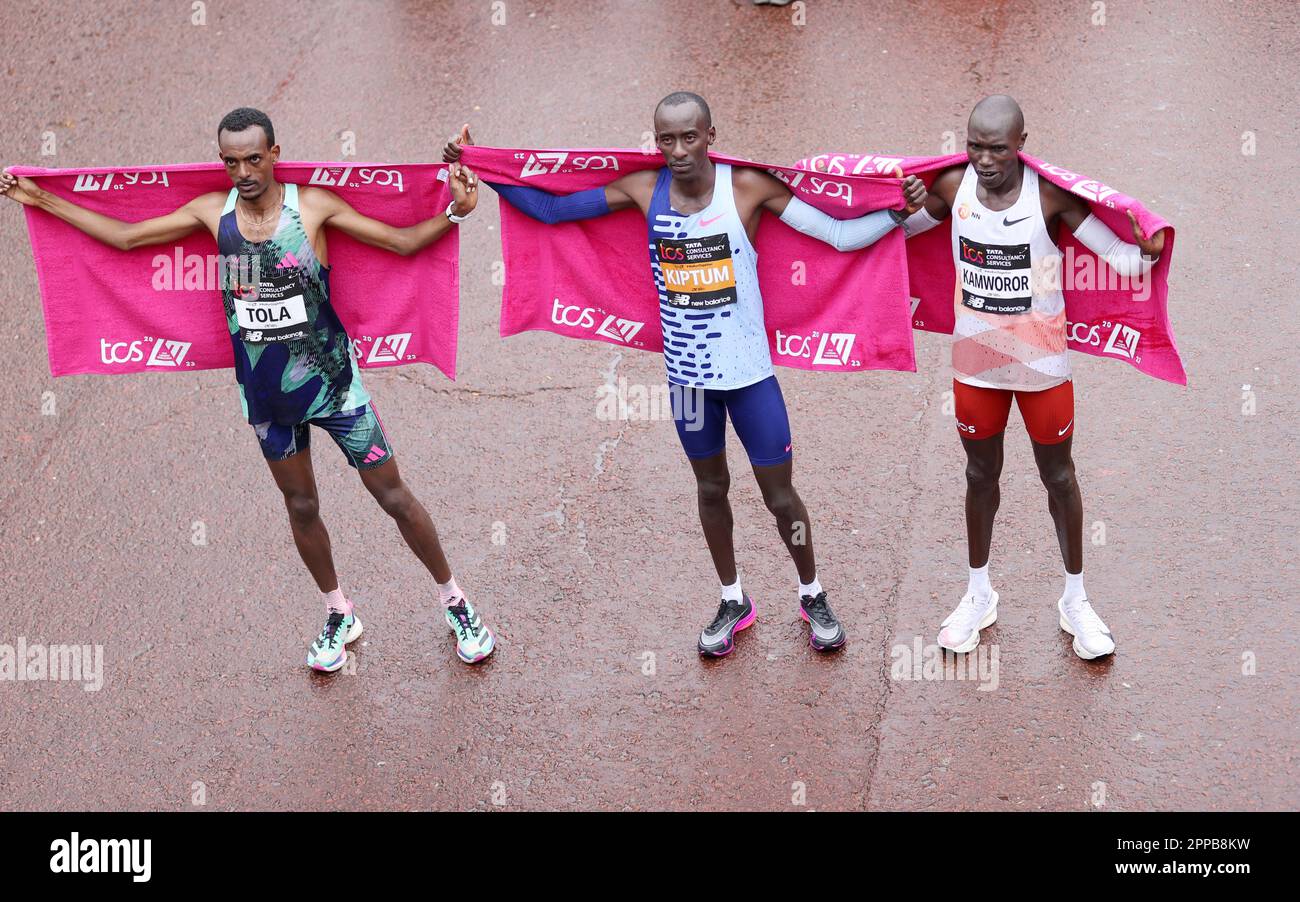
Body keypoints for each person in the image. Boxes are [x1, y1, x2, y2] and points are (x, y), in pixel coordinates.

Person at [2, 107, 496, 671]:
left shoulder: (311, 207)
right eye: (232, 161)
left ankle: (455, 600)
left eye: (254, 159)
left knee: (393, 496)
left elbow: (403, 244)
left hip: (334, 387)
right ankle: (339, 613)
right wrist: (40, 200)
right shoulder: (214, 214)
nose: (243, 171)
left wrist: (458, 211)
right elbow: (126, 238)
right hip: (266, 397)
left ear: (275, 155)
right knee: (302, 504)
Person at [444, 91, 925, 656]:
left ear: (711, 135)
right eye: (666, 139)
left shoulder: (746, 188)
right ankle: (732, 599)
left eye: (688, 137)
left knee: (780, 497)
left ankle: (812, 592)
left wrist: (898, 212)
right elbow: (551, 210)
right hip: (689, 381)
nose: (677, 150)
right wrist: (480, 167)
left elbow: (839, 236)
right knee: (711, 488)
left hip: (750, 379)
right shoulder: (644, 190)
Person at [899, 95, 1165, 660]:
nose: (984, 159)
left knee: (1059, 478)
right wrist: (905, 210)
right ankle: (978, 595)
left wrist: (1147, 250)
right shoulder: (953, 188)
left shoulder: (1050, 198)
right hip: (977, 363)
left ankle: (1076, 601)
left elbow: (1124, 260)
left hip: (1042, 365)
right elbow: (901, 238)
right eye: (975, 145)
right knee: (979, 475)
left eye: (997, 147)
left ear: (1022, 143)